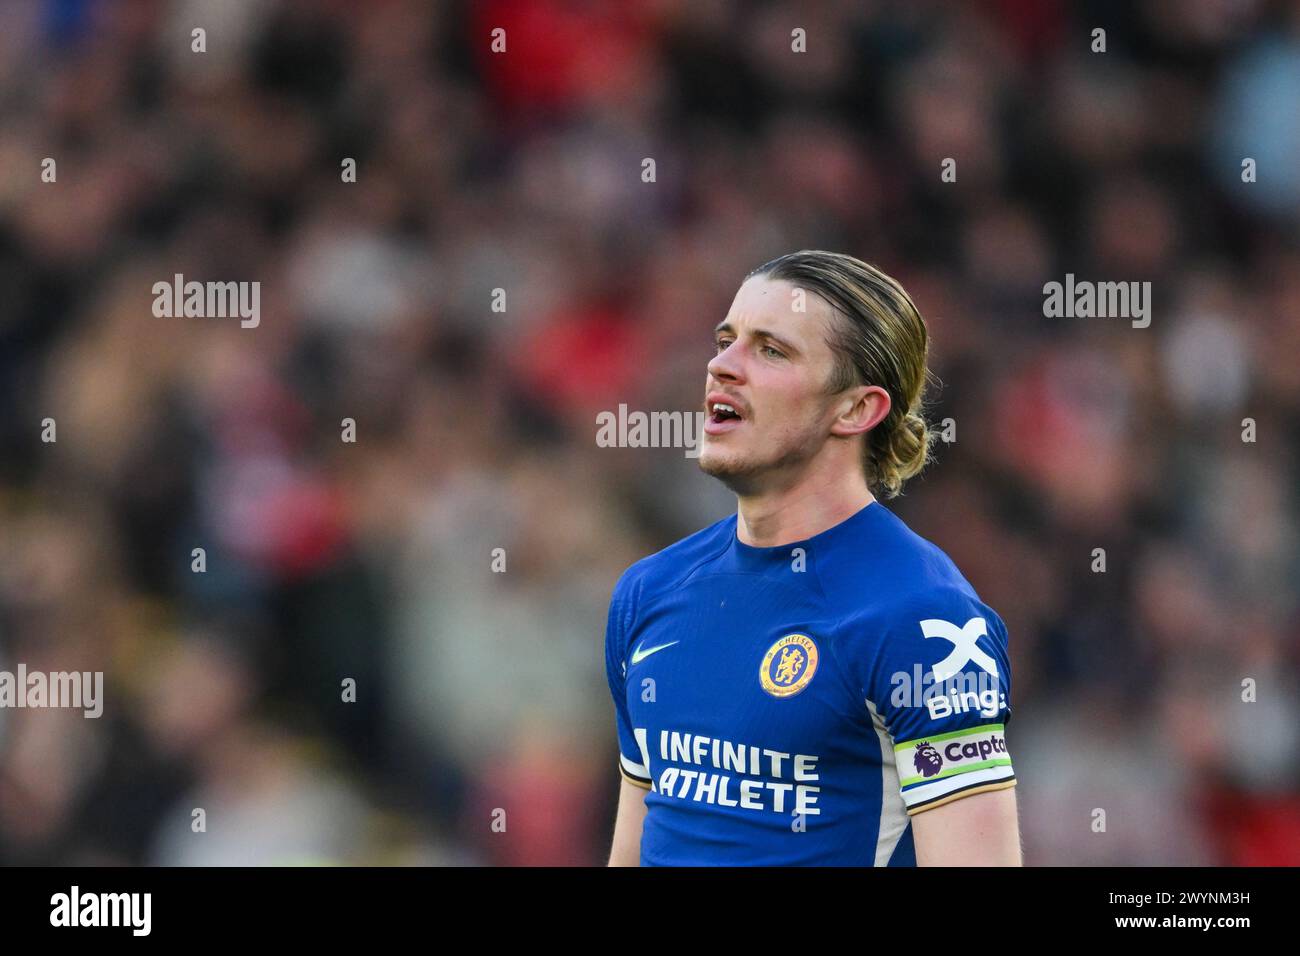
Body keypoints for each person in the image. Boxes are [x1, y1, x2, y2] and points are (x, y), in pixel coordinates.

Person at [605, 250, 1021, 865]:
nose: (721, 365)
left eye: (770, 350)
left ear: (856, 409)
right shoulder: (648, 592)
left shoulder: (926, 619)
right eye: (726, 341)